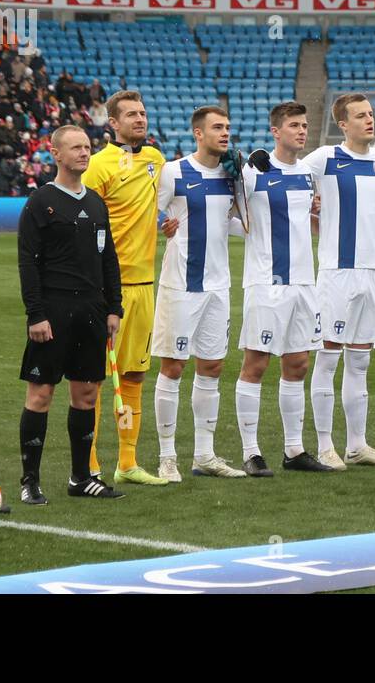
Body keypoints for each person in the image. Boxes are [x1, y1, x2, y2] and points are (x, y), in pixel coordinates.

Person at [16, 125, 124, 502]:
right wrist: (36, 314)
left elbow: (108, 258)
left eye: (87, 147)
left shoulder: (95, 202)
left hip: (92, 311)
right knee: (41, 394)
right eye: (75, 147)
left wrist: (114, 307)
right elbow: (27, 262)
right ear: (56, 154)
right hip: (53, 311)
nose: (83, 153)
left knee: (87, 394)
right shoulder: (40, 201)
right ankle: (30, 480)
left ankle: (80, 478)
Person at [299, 94, 375, 469]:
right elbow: (290, 174)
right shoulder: (324, 158)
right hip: (338, 272)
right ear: (343, 124)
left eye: (371, 114)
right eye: (360, 116)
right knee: (327, 359)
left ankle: (357, 444)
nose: (369, 120)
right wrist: (310, 205)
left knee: (359, 361)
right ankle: (326, 445)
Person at [150, 107, 247, 481]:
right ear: (197, 133)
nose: (225, 133)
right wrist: (165, 226)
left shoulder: (230, 174)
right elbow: (153, 214)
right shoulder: (174, 172)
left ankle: (204, 455)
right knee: (173, 367)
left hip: (218, 287)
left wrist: (242, 189)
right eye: (217, 128)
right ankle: (167, 456)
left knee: (213, 366)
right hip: (181, 286)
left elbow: (240, 225)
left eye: (227, 127)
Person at [235, 102, 331, 475]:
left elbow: (308, 219)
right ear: (276, 131)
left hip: (304, 283)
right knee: (256, 364)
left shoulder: (308, 173)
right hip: (267, 284)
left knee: (298, 363)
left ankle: (294, 450)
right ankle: (251, 451)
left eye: (305, 125)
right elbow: (234, 211)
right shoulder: (256, 170)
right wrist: (241, 169)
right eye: (293, 125)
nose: (301, 131)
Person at [81, 91, 168, 487]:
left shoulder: (155, 160)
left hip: (144, 285)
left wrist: (167, 222)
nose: (140, 119)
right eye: (131, 114)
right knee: (94, 378)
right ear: (112, 122)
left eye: (143, 113)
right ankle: (91, 463)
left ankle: (128, 463)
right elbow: (81, 226)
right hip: (104, 291)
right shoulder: (96, 167)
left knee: (133, 375)